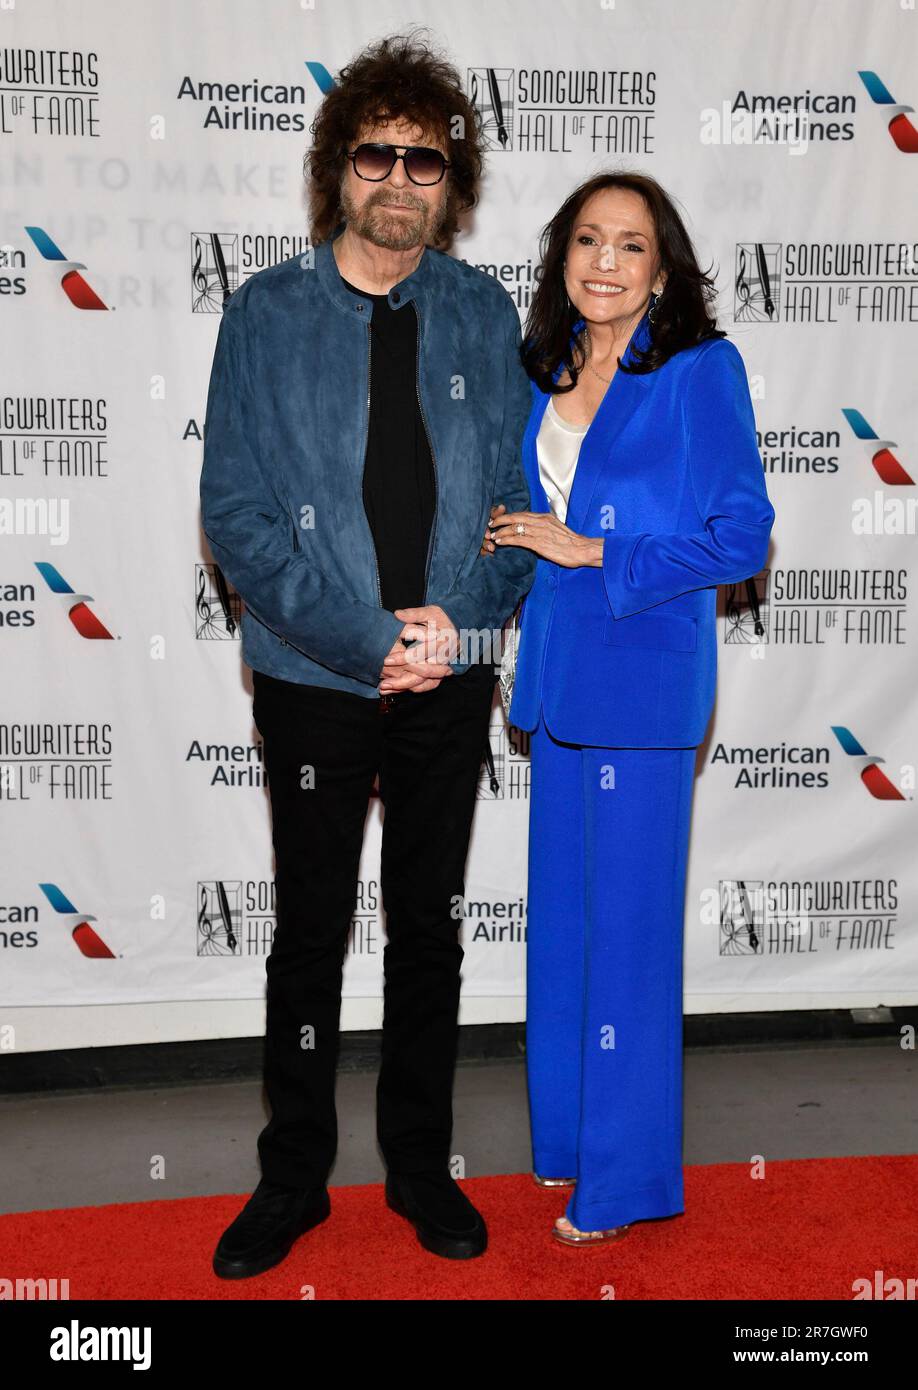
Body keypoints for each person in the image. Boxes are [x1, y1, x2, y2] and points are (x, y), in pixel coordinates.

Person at [200, 32, 535, 1276]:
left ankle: (416, 1170)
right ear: (337, 168)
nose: (400, 178)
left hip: (449, 673)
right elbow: (234, 515)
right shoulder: (265, 313)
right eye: (376, 153)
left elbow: (515, 497)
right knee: (308, 931)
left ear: (454, 182)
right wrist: (361, 636)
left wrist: (456, 619)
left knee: (431, 928)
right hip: (313, 676)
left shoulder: (482, 310)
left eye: (426, 159)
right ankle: (292, 1181)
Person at [483, 172, 776, 1245]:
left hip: (647, 694)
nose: (605, 261)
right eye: (588, 240)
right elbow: (535, 518)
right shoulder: (545, 371)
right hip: (559, 690)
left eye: (632, 245)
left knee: (632, 945)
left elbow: (741, 536)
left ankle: (626, 1179)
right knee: (564, 934)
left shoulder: (699, 370)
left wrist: (597, 547)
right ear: (562, 255)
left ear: (663, 269)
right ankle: (564, 1145)